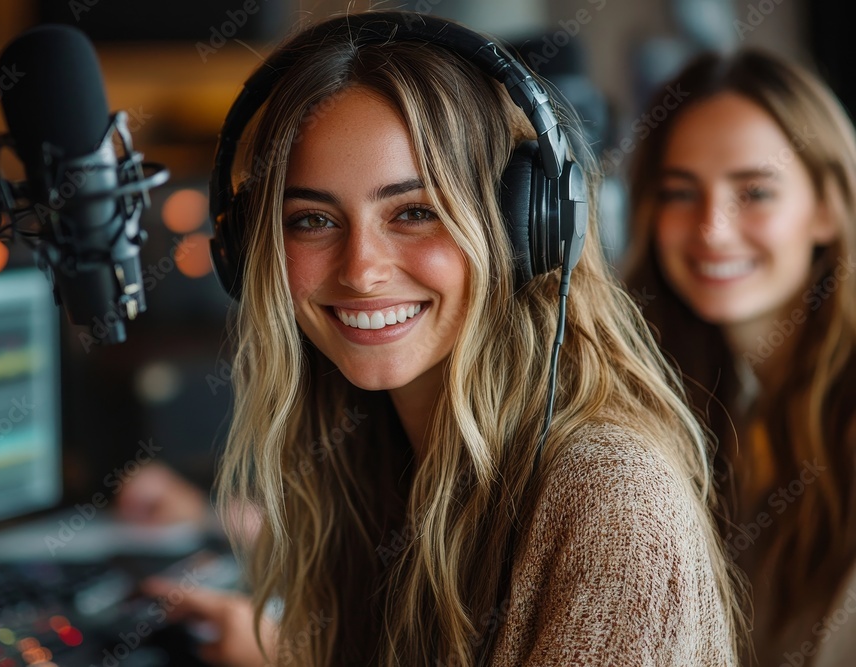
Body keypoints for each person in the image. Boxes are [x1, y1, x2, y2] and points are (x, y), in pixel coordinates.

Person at [146, 11, 743, 666]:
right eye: (312, 218)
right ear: (249, 252)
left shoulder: (612, 499)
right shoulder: (376, 459)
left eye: (414, 212)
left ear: (525, 228)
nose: (361, 268)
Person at [623, 48, 856, 667]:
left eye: (753, 191)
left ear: (828, 206)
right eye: (680, 193)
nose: (711, 231)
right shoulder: (685, 403)